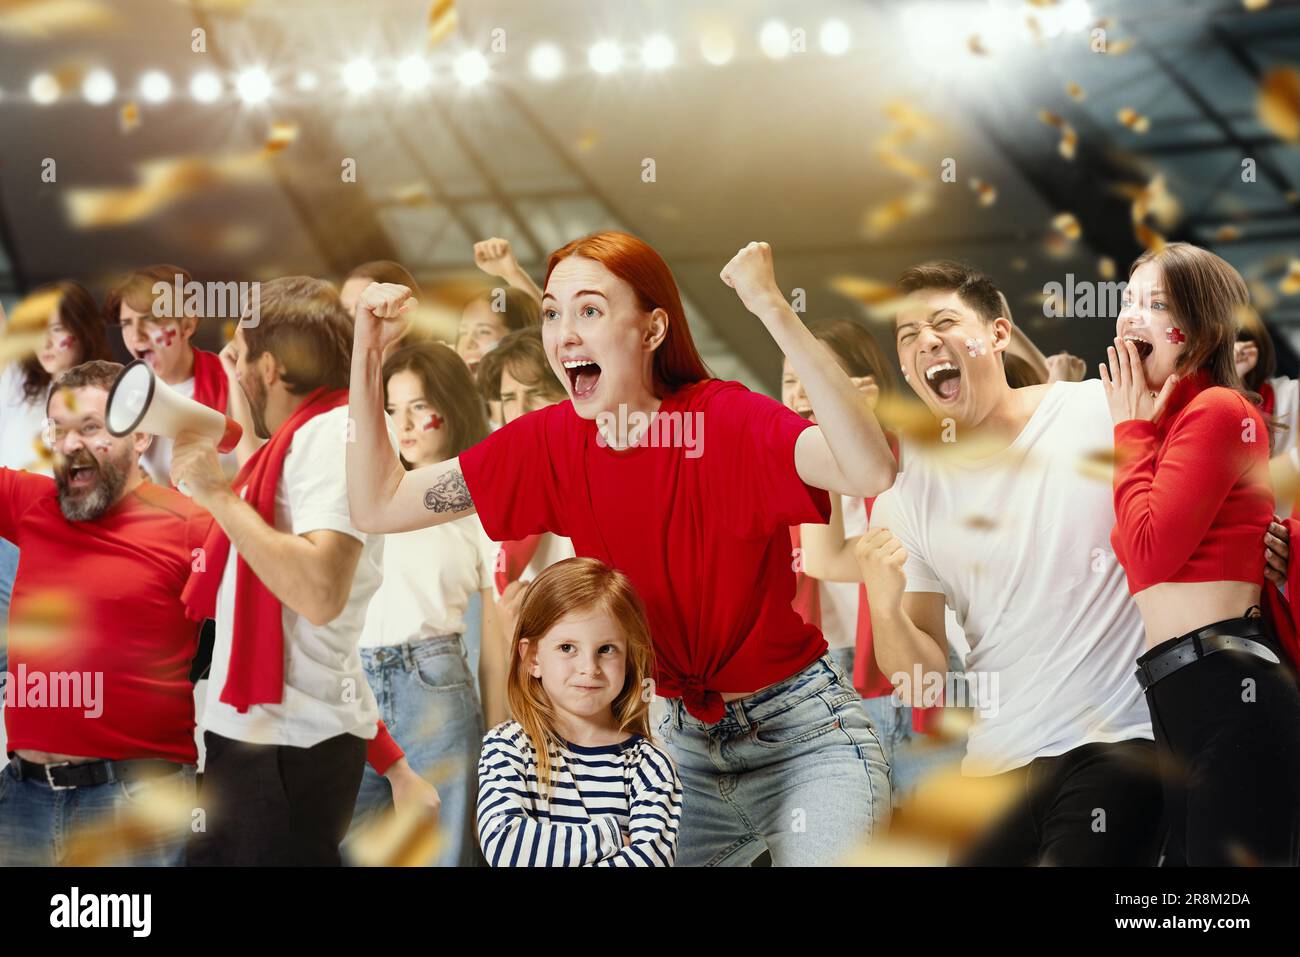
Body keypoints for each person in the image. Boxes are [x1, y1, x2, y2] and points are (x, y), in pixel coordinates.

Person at [347, 232, 897, 866]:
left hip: (803, 734)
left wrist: (771, 306)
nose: (563, 334)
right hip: (674, 747)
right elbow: (379, 503)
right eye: (552, 312)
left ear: (653, 328)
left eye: (590, 310)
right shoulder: (547, 443)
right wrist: (368, 354)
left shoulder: (725, 420)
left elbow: (868, 470)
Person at [856, 260, 1166, 865]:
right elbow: (925, 681)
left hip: (1119, 741)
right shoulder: (904, 497)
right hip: (994, 764)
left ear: (998, 335)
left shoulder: (1099, 409)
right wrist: (884, 604)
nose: (927, 342)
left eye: (945, 322)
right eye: (908, 336)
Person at [171, 276, 431, 866]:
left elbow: (320, 592)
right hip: (264, 744)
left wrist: (219, 497)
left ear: (268, 367)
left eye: (238, 356)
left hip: (285, 750)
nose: (230, 371)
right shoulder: (297, 442)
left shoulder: (329, 434)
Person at [1101, 242, 1300, 866]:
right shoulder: (1165, 428)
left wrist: (1127, 432)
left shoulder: (1219, 408)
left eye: (1157, 304)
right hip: (1180, 692)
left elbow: (1151, 552)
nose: (1134, 316)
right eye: (1129, 301)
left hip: (1226, 687)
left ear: (1203, 328)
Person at [0, 361, 203, 866]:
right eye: (59, 429)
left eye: (91, 428)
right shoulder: (32, 502)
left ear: (140, 437)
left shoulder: (191, 525)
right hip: (23, 800)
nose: (70, 446)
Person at [787, 318, 963, 803]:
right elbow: (822, 561)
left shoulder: (914, 455)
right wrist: (825, 431)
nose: (802, 392)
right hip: (828, 679)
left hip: (914, 664)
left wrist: (852, 428)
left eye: (817, 377)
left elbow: (903, 557)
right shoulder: (782, 479)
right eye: (790, 380)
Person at [346, 340, 504, 867]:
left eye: (419, 406)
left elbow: (497, 638)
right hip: (354, 686)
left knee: (444, 851)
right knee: (352, 848)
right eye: (391, 409)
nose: (404, 423)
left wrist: (503, 740)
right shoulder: (360, 493)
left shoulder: (481, 496)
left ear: (451, 405)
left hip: (435, 678)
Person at [476, 557, 681, 866]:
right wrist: (608, 837)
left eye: (606, 649)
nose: (589, 668)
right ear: (532, 658)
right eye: (567, 648)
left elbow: (648, 861)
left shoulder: (649, 765)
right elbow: (505, 845)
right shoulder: (507, 746)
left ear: (628, 660)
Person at [0, 284, 110, 675]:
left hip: (62, 541)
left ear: (83, 331)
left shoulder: (108, 397)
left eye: (57, 330)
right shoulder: (19, 386)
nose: (45, 344)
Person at [474, 327, 576, 641]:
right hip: (535, 675)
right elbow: (497, 631)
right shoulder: (494, 499)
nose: (519, 412)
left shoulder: (604, 482)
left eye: (534, 393)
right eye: (509, 398)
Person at [104, 264, 238, 484]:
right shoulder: (123, 401)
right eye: (126, 324)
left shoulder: (234, 383)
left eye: (151, 320)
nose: (136, 337)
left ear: (186, 325)